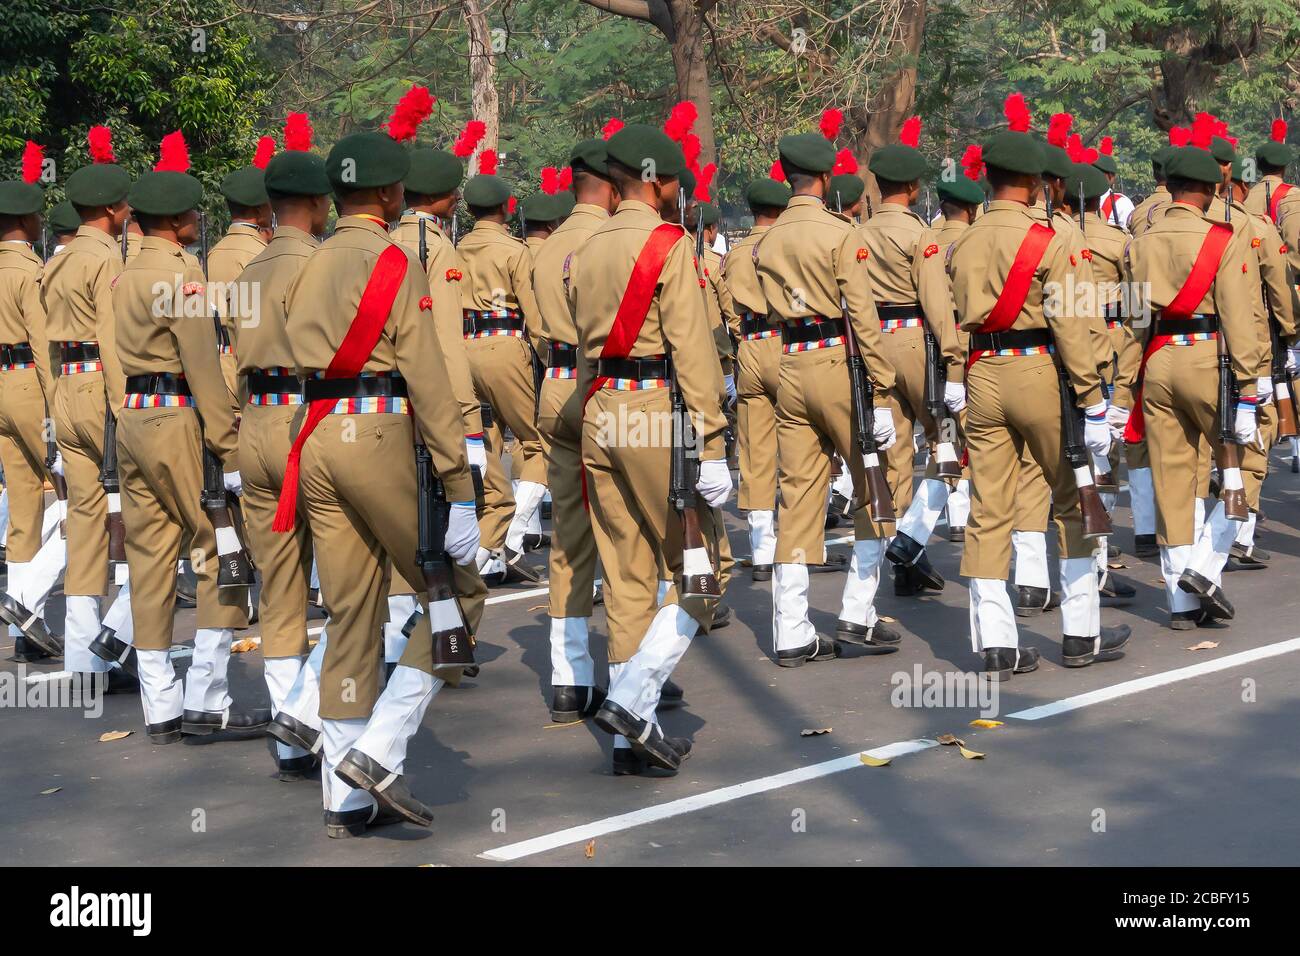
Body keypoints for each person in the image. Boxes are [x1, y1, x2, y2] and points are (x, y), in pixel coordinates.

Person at [276, 92, 487, 837]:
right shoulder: (394, 259)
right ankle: (379, 748)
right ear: (394, 194)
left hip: (319, 433)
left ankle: (344, 799)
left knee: (349, 614)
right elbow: (428, 375)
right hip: (379, 433)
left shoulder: (309, 258)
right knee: (455, 593)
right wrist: (459, 483)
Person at [949, 94, 1128, 679]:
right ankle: (1080, 635)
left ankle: (997, 644)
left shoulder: (962, 239)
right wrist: (1094, 401)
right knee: (1073, 499)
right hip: (1041, 371)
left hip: (983, 374)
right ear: (1032, 181)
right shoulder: (1055, 238)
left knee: (988, 509)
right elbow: (1074, 327)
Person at [569, 123, 729, 774]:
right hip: (655, 414)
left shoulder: (585, 245)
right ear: (657, 181)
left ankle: (626, 744)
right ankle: (633, 705)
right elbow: (692, 351)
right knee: (704, 570)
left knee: (629, 576)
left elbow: (584, 345)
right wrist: (712, 443)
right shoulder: (667, 245)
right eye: (673, 184)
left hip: (602, 410)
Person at [110, 131, 258, 741]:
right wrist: (230, 444)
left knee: (149, 562)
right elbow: (202, 367)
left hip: (134, 421)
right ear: (173, 221)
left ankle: (159, 704)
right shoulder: (181, 275)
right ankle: (206, 694)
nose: (199, 220)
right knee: (218, 553)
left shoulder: (123, 275)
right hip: (178, 422)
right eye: (193, 212)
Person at [755, 129, 900, 665]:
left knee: (796, 497)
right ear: (823, 179)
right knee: (874, 484)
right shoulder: (841, 233)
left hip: (790, 363)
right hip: (841, 363)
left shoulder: (768, 240)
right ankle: (857, 613)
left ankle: (791, 631)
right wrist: (882, 389)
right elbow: (862, 314)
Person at [1119, 115, 1263, 629]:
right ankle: (1204, 569)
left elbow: (1133, 322)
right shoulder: (1222, 238)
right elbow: (1241, 316)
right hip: (1210, 358)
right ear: (1207, 189)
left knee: (1172, 483)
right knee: (1238, 468)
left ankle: (1181, 606)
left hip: (1157, 362)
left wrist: (1121, 390)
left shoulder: (1140, 241)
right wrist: (1252, 385)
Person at [226, 114, 333, 780]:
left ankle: (291, 738)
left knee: (281, 589)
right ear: (319, 204)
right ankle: (309, 712)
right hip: (308, 421)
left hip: (256, 424)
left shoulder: (248, 265)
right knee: (355, 582)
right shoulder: (318, 265)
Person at [39, 126, 137, 691]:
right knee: (137, 519)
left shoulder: (61, 259)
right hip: (102, 388)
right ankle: (114, 644)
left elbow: (52, 342)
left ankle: (83, 656)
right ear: (108, 209)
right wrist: (126, 409)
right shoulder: (104, 260)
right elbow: (110, 337)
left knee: (84, 525)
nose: (128, 212)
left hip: (67, 391)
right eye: (123, 204)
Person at [529, 138, 617, 723]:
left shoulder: (541, 248)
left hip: (555, 385)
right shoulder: (612, 242)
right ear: (612, 186)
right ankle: (637, 679)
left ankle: (569, 678)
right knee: (628, 531)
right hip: (608, 389)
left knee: (568, 531)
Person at [860, 117, 965, 601]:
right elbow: (936, 301)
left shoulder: (856, 235)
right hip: (915, 342)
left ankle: (902, 563)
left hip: (873, 344)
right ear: (913, 185)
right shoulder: (918, 234)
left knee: (893, 456)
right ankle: (912, 539)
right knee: (949, 445)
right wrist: (954, 360)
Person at [458, 152, 547, 580]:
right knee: (538, 444)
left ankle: (484, 552)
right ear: (507, 208)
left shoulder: (455, 249)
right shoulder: (514, 250)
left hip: (464, 350)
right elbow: (534, 314)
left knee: (487, 449)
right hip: (505, 344)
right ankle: (512, 533)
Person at [0, 141, 63, 661]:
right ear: (24, 219)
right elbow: (44, 349)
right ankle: (23, 604)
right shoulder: (28, 270)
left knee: (23, 511)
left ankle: (25, 632)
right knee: (73, 498)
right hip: (27, 386)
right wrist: (57, 408)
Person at [718, 176, 791, 581]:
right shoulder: (784, 245)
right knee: (798, 446)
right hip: (786, 343)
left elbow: (729, 310)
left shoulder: (736, 253)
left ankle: (762, 548)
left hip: (748, 345)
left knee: (755, 449)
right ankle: (796, 543)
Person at [208, 141, 274, 402]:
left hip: (218, 364)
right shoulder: (261, 254)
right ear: (260, 211)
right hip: (250, 367)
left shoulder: (214, 252)